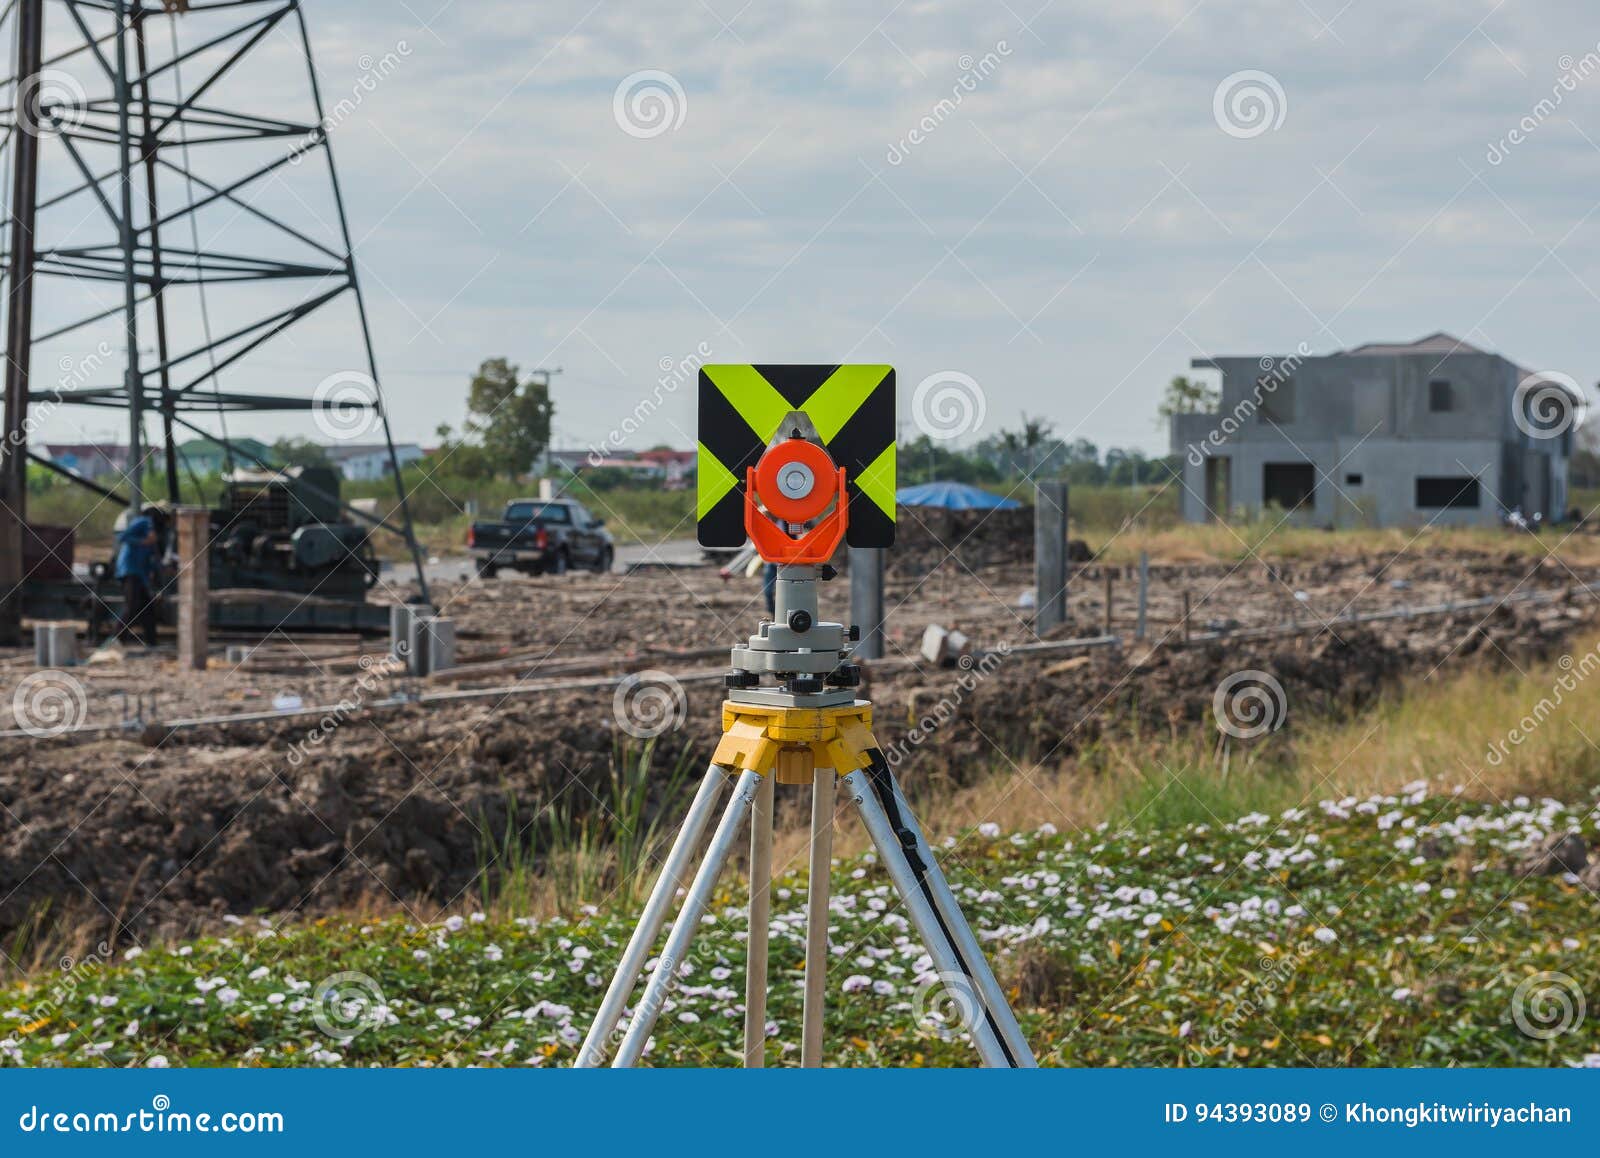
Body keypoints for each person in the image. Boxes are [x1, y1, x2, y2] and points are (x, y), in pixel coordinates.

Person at [114, 506, 164, 647]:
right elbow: (122, 537)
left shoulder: (155, 532)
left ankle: (152, 641)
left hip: (140, 575)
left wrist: (158, 569)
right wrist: (143, 541)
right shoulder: (144, 521)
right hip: (129, 570)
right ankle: (117, 638)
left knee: (147, 608)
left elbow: (151, 559)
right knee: (132, 605)